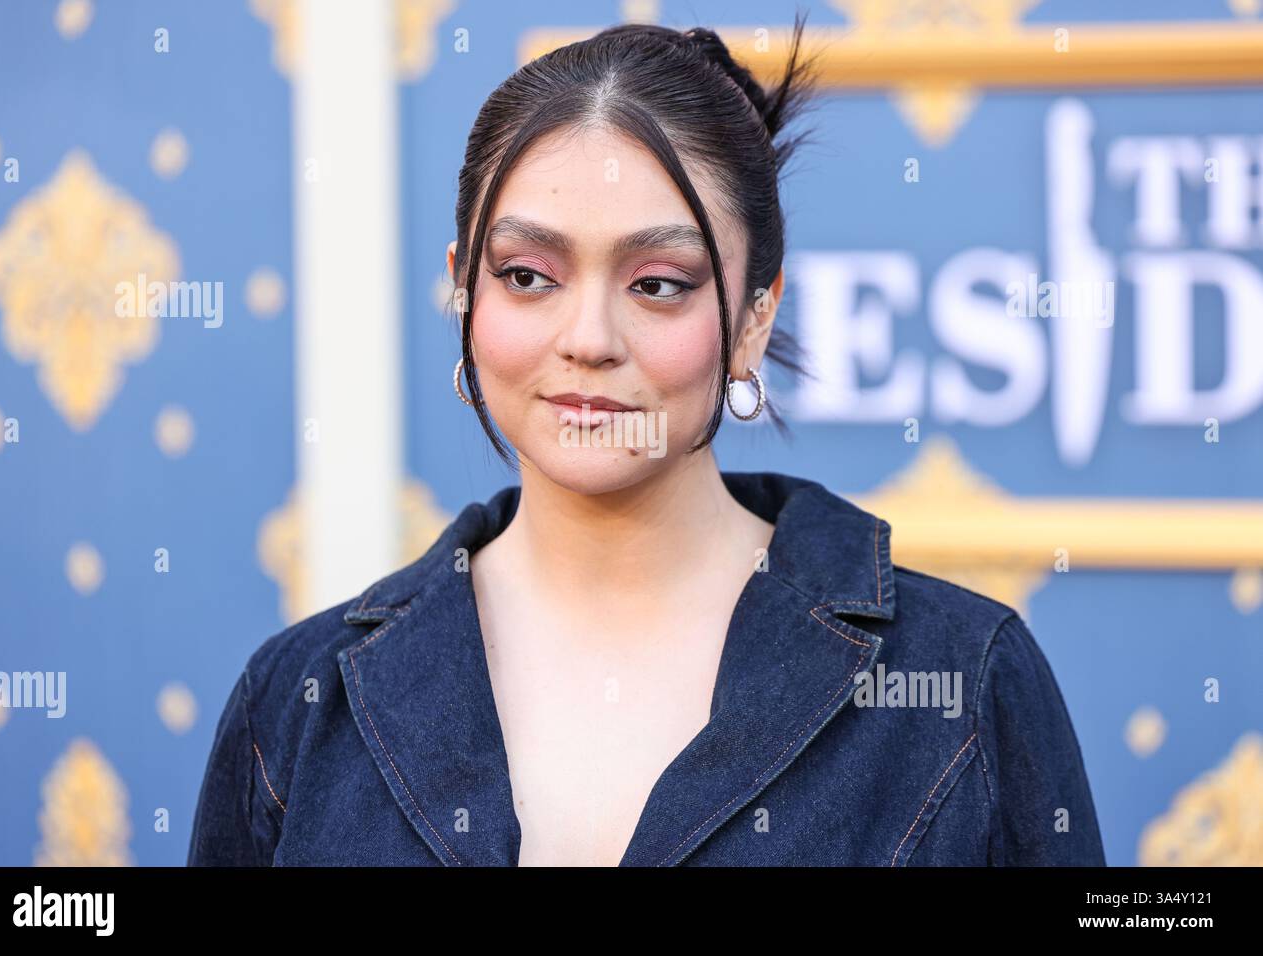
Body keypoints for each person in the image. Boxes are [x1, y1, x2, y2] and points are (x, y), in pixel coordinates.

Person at [188, 15, 1106, 867]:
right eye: (526, 275)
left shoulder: (959, 681)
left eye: (658, 283)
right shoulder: (302, 702)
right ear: (464, 290)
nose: (589, 337)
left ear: (754, 317)